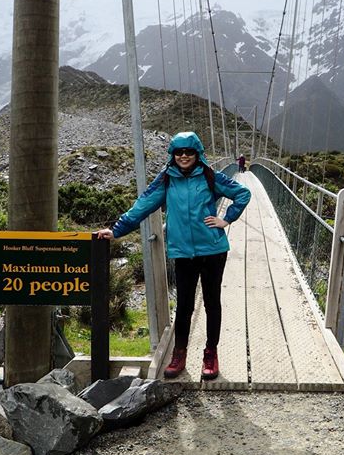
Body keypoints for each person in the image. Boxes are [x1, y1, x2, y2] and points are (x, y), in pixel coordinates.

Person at [97, 132, 251, 381]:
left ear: (197, 154)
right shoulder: (167, 179)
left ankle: (210, 354)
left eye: (189, 152)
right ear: (173, 155)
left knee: (212, 303)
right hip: (183, 253)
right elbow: (143, 205)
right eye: (178, 152)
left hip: (213, 250)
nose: (183, 156)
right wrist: (116, 230)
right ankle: (179, 355)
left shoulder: (211, 176)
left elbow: (242, 193)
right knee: (184, 306)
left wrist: (226, 219)